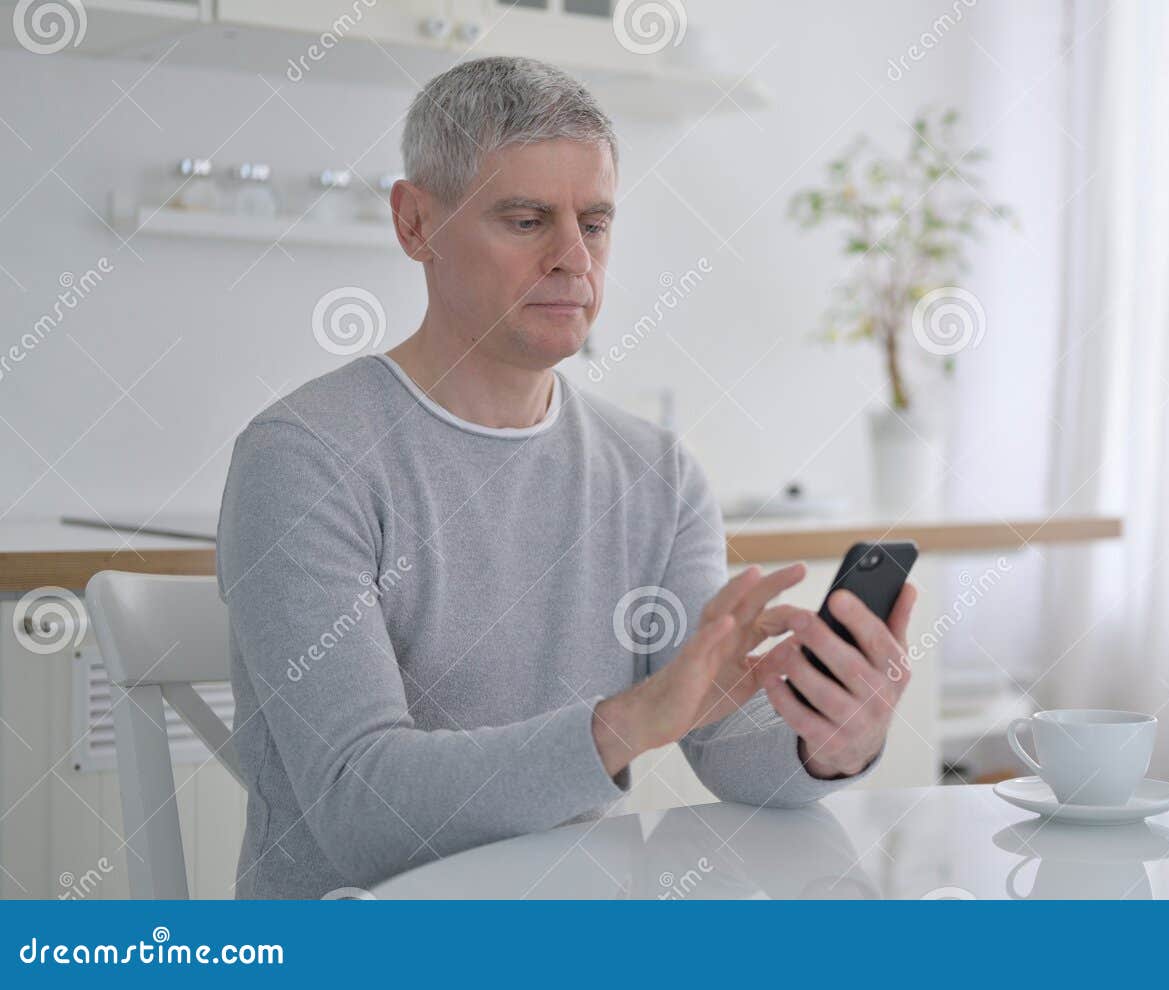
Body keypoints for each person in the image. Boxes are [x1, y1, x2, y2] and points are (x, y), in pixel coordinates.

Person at [216, 56, 918, 899]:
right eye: (525, 220)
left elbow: (728, 738)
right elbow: (360, 812)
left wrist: (829, 740)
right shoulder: (302, 459)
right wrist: (626, 723)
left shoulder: (655, 475)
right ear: (414, 223)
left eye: (594, 222)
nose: (573, 260)